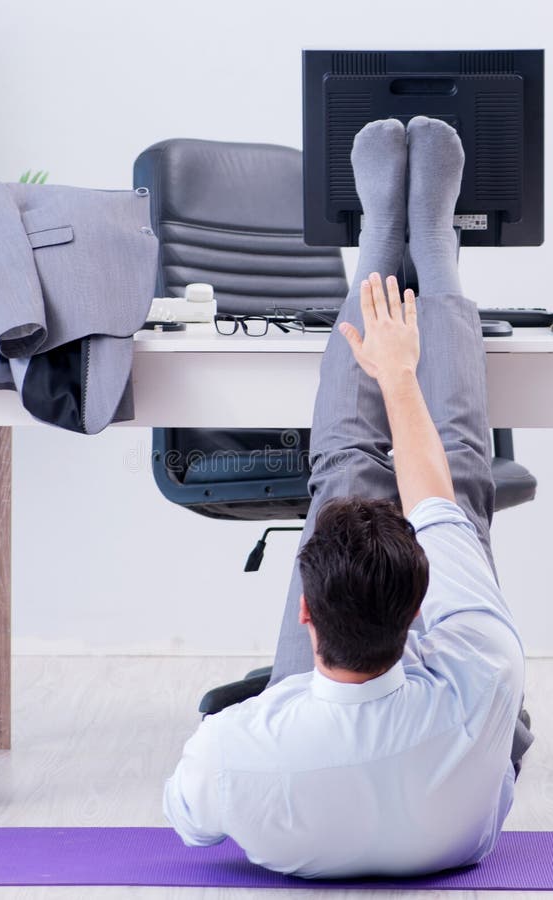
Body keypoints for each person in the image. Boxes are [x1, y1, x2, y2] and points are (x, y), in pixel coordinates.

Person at [163, 117, 533, 878]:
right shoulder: (480, 673)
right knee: (446, 485)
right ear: (418, 605)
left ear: (307, 608)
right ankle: (432, 248)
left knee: (376, 475)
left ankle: (379, 248)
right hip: (461, 749)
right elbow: (429, 497)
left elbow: (190, 825)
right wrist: (398, 373)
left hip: (382, 732)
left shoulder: (234, 749)